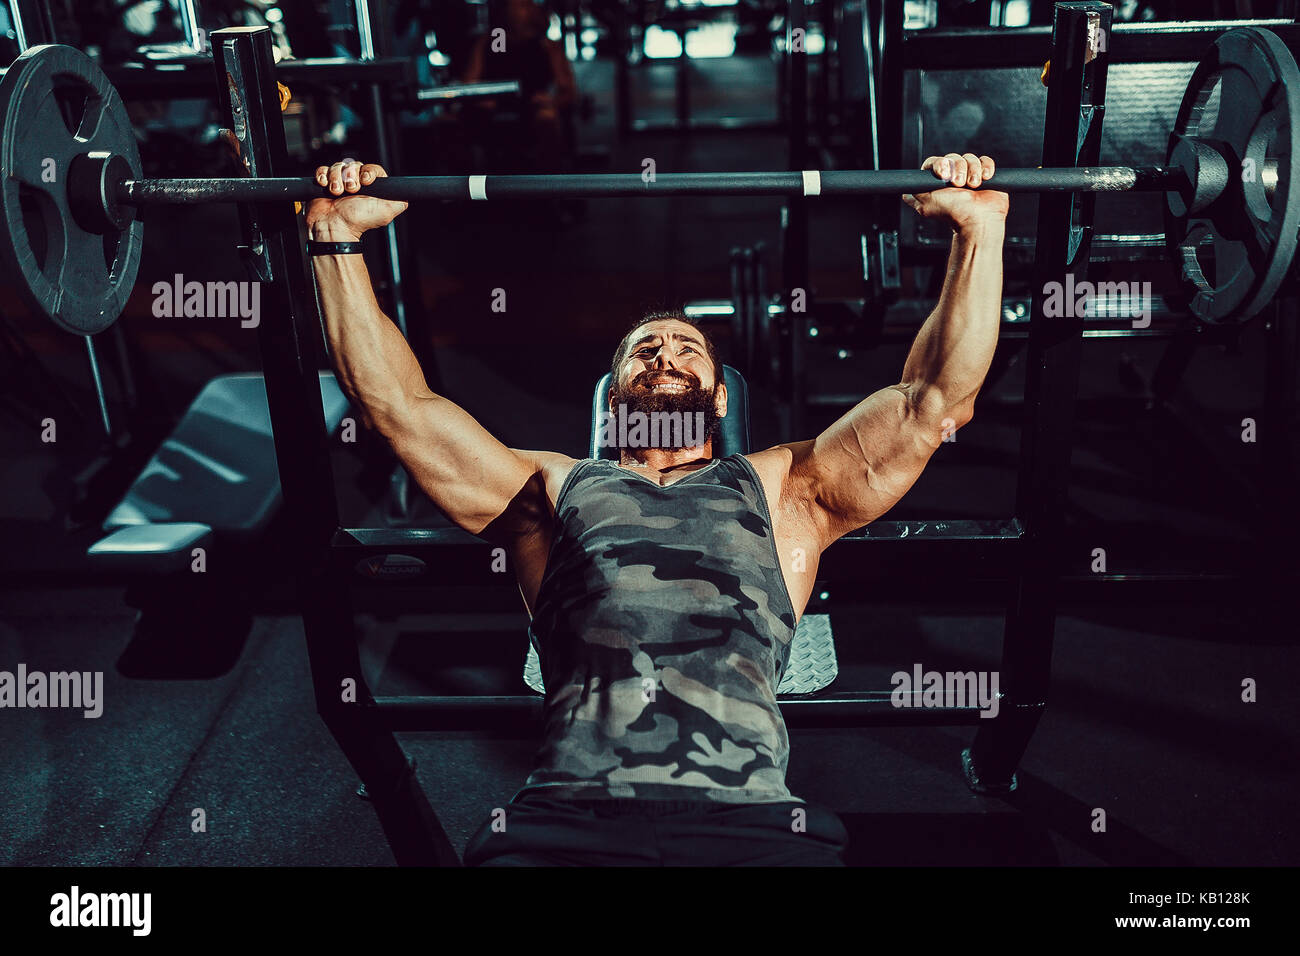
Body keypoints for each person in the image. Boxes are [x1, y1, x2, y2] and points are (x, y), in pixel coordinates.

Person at [305, 152, 1008, 865]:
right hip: (565, 823)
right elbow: (397, 408)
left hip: (751, 826)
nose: (664, 357)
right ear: (614, 396)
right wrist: (334, 239)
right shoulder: (550, 491)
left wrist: (978, 231)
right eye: (644, 349)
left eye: (686, 348)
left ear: (721, 394)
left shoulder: (784, 488)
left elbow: (934, 402)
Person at [460, 0, 577, 174]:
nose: (527, 9)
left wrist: (552, 102)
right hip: (494, 108)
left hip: (531, 108)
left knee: (547, 119)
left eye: (527, 5)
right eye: (520, 5)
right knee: (449, 123)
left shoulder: (548, 45)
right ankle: (462, 192)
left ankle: (549, 189)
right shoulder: (490, 42)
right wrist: (481, 99)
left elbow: (569, 91)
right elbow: (468, 85)